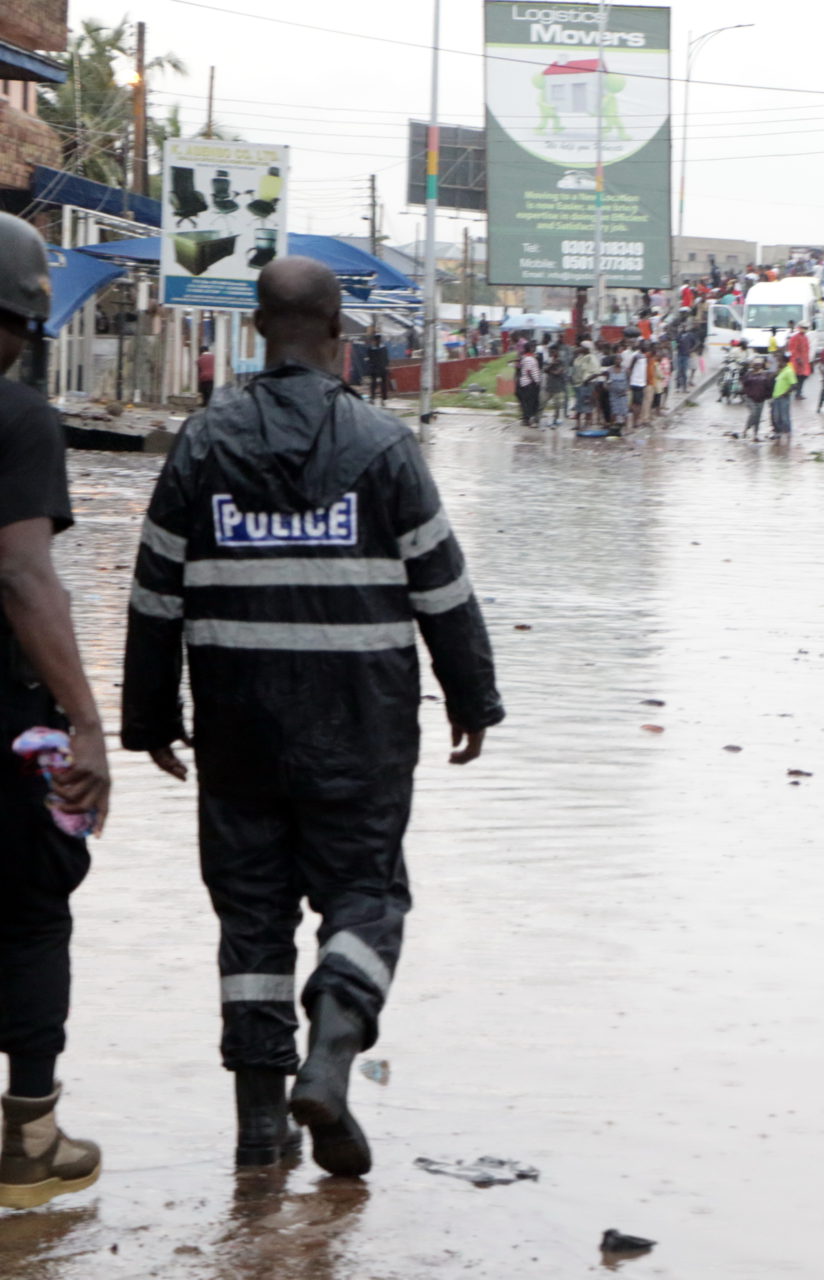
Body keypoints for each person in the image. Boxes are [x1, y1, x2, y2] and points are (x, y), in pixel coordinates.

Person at [121, 257, 505, 1176]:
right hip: (361, 730)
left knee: (250, 920)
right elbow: (443, 592)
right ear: (340, 335)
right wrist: (472, 698)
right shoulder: (382, 447)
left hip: (238, 726)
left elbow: (152, 596)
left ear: (257, 329)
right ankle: (330, 1059)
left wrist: (149, 721)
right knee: (366, 896)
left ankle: (260, 1133)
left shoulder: (202, 443)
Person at [0, 212, 110, 1211]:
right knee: (32, 909)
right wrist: (85, 720)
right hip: (1, 721)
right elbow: (27, 577)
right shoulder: (18, 415)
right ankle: (29, 1135)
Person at [741, 357, 772, 439]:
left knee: (758, 416)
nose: (757, 366)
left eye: (759, 365)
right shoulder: (748, 374)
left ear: (761, 366)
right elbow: (744, 384)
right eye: (755, 365)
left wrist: (768, 397)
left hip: (761, 398)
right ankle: (746, 429)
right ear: (752, 365)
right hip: (749, 397)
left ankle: (755, 434)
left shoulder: (765, 375)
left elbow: (768, 387)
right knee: (753, 413)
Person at [514, 342, 541, 427]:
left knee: (527, 402)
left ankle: (526, 419)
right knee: (531, 403)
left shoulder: (525, 358)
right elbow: (529, 371)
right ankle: (530, 420)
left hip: (525, 383)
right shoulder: (529, 359)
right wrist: (535, 381)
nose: (534, 349)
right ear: (529, 349)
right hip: (530, 383)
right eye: (533, 347)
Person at [769, 353, 796, 438]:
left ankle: (787, 433)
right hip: (776, 396)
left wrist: (785, 393)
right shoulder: (782, 371)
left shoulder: (789, 371)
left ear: (783, 361)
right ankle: (779, 433)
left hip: (783, 397)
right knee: (776, 417)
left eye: (779, 361)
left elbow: (794, 385)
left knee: (784, 417)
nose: (778, 363)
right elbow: (772, 378)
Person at [787, 325, 812, 400]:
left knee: (802, 378)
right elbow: (792, 349)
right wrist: (798, 358)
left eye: (806, 328)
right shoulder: (795, 337)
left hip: (804, 362)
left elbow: (807, 349)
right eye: (803, 328)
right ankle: (795, 392)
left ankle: (798, 393)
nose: (805, 330)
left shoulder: (805, 337)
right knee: (796, 378)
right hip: (797, 362)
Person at [363, 336, 389, 405]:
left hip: (379, 368)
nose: (375, 342)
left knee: (381, 384)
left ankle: (382, 399)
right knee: (374, 384)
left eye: (376, 340)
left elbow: (386, 359)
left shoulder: (380, 348)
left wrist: (385, 366)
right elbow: (386, 359)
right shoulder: (373, 349)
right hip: (377, 368)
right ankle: (373, 398)